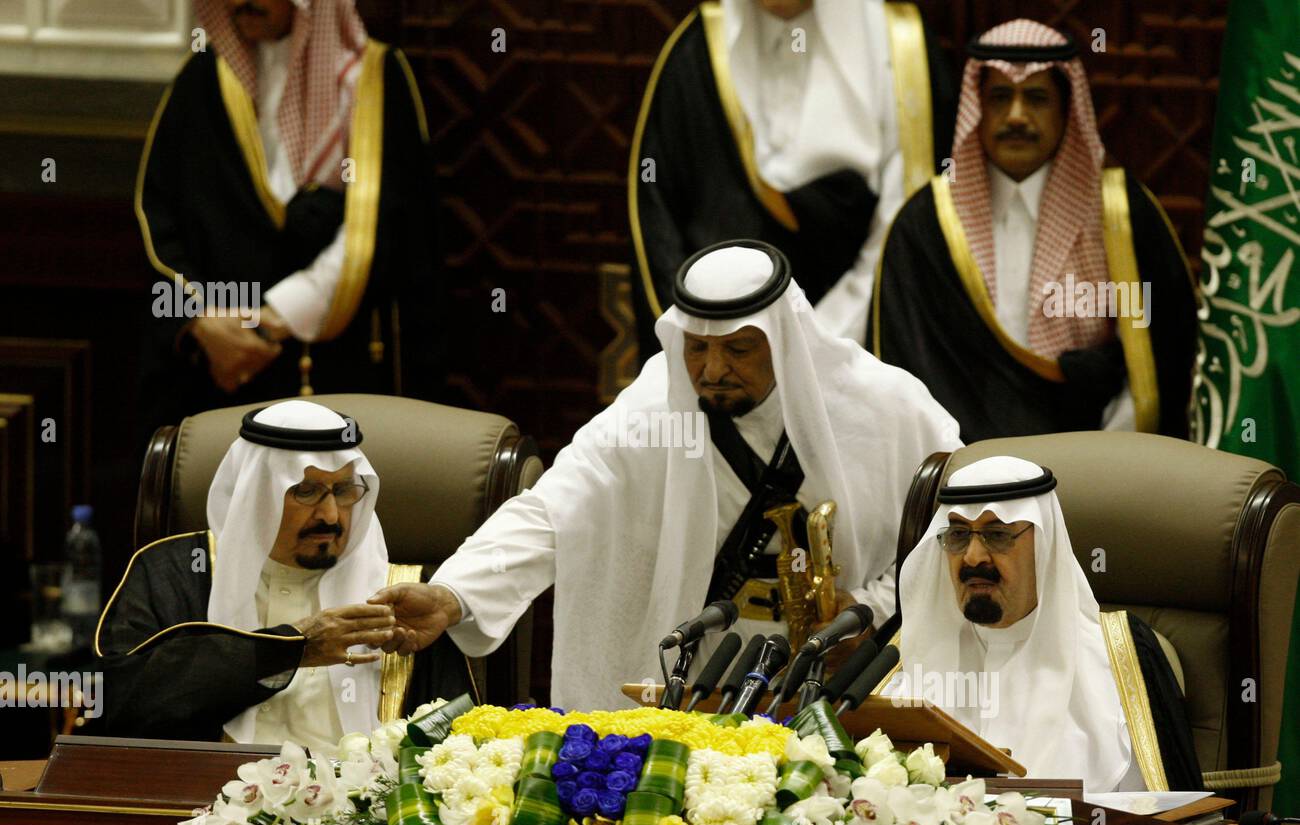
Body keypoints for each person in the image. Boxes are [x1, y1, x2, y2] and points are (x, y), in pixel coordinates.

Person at [370, 240, 961, 710]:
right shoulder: (653, 411)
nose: (711, 370)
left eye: (738, 350)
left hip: (848, 684)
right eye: (696, 347)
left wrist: (875, 615)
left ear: (785, 342)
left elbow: (955, 529)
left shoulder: (885, 409)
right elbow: (553, 510)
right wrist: (455, 593)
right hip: (692, 685)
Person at [871, 19, 1198, 442]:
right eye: (1000, 97)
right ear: (977, 108)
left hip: (1094, 458)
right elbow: (905, 368)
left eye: (1037, 98)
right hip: (961, 469)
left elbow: (1156, 361)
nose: (1017, 116)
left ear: (1067, 111)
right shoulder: (928, 224)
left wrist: (1103, 454)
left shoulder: (1120, 215)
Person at [135, 0, 442, 441]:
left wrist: (274, 318)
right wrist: (202, 318)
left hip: (335, 361)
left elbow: (385, 225)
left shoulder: (373, 79)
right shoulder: (204, 78)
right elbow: (158, 216)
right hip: (220, 364)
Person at [95, 401, 474, 751]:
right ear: (255, 492)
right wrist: (290, 649)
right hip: (197, 808)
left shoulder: (407, 597)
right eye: (306, 492)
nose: (330, 515)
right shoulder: (177, 570)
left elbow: (456, 746)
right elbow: (123, 705)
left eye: (343, 490)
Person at [630, 0, 955, 358]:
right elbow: (657, 219)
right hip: (716, 351)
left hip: (857, 343)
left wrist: (819, 347)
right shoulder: (699, 48)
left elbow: (906, 220)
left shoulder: (897, 44)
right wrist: (707, 343)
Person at [886, 455, 1201, 792]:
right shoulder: (907, 659)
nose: (973, 556)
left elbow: (1174, 818)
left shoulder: (1121, 660)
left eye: (997, 534)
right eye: (959, 535)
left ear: (1044, 543)